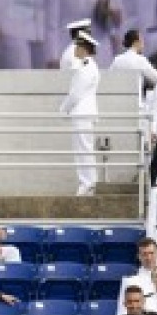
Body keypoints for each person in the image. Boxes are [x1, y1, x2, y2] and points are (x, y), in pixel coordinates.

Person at [61, 32, 101, 196]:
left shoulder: (87, 68)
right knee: (82, 149)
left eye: (78, 46)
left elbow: (76, 93)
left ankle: (88, 183)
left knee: (83, 149)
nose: (75, 49)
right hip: (82, 112)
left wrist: (63, 109)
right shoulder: (85, 65)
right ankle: (87, 182)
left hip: (82, 112)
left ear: (85, 48)